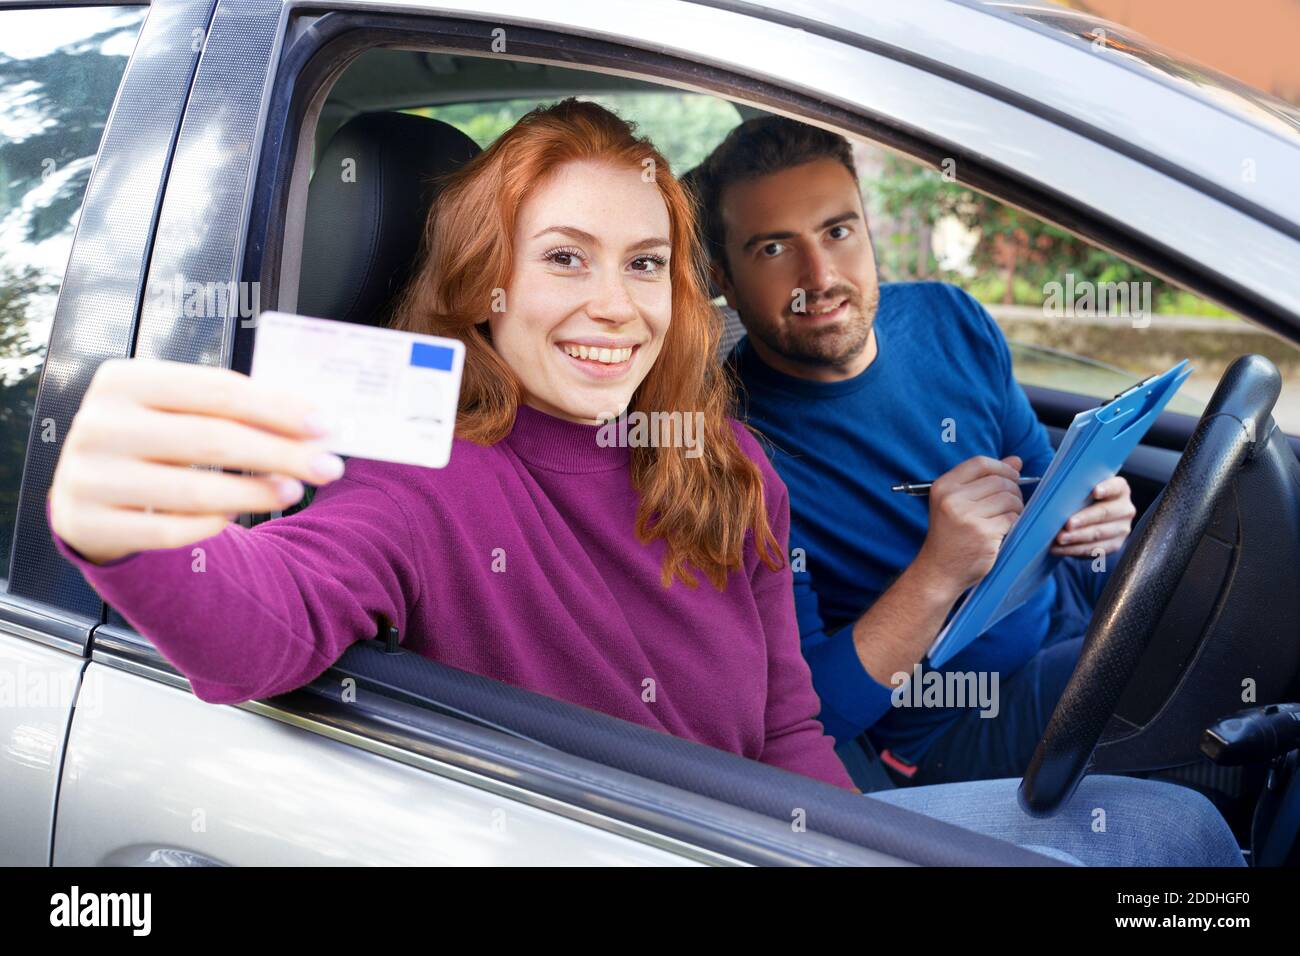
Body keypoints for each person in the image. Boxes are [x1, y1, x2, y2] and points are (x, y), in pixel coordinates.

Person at [46, 99, 1239, 866]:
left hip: (776, 838)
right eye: (563, 258)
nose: (613, 305)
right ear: (488, 285)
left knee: (1174, 832)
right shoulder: (421, 472)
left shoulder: (723, 460)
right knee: (1171, 826)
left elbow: (786, 726)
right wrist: (126, 533)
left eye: (645, 264)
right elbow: (261, 628)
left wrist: (858, 851)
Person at [693, 115, 1137, 787]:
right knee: (1198, 664)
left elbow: (1040, 479)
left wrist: (1095, 508)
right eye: (774, 250)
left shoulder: (948, 316)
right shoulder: (730, 452)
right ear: (723, 277)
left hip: (1067, 611)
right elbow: (813, 713)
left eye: (838, 233)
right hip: (950, 724)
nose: (820, 275)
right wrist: (938, 573)